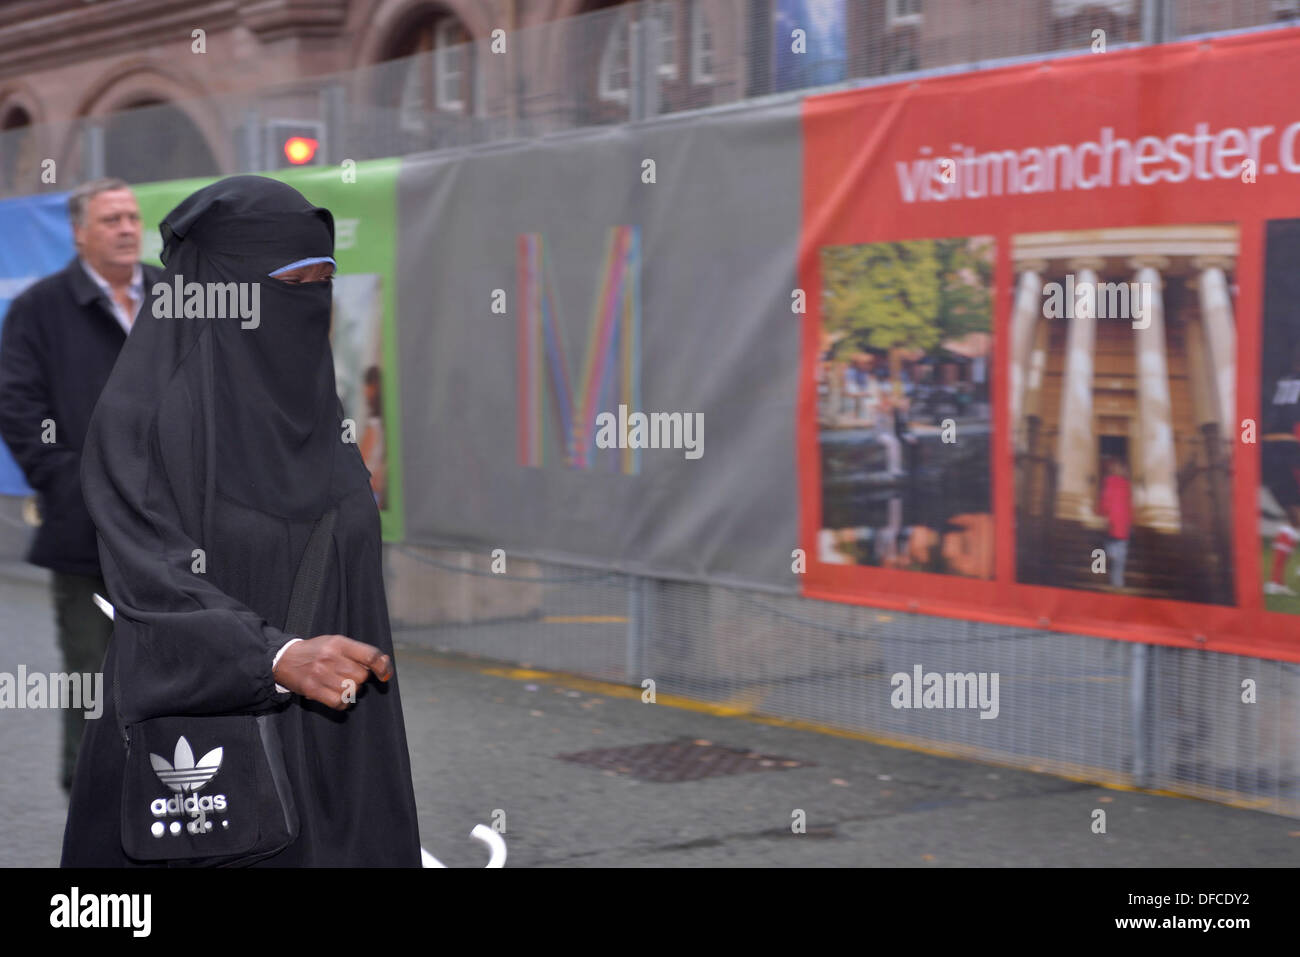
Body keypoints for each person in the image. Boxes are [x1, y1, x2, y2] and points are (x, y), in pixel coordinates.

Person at [60, 175, 421, 866]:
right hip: (206, 761)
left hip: (340, 749)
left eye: (325, 280)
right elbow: (153, 580)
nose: (309, 301)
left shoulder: (315, 407)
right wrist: (274, 657)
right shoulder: (144, 422)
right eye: (291, 281)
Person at [0, 177, 162, 794]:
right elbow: (19, 410)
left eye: (131, 216)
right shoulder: (41, 308)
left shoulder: (174, 295)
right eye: (110, 219)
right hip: (86, 532)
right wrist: (73, 483)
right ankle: (94, 803)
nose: (126, 228)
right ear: (79, 233)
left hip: (177, 531)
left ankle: (179, 802)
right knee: (94, 676)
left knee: (182, 667)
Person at [1262, 342, 1300, 597]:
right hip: (1292, 449)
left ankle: (1276, 581)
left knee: (1293, 519)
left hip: (1271, 451)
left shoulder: (1283, 381)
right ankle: (1275, 581)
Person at [1097, 457, 1132, 589]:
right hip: (1122, 521)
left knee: (1113, 546)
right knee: (1120, 554)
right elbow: (1128, 504)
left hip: (1115, 519)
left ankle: (1110, 557)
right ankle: (1117, 582)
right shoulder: (1125, 484)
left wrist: (1104, 513)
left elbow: (1106, 498)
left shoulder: (1110, 482)